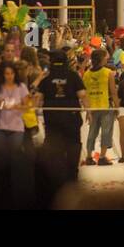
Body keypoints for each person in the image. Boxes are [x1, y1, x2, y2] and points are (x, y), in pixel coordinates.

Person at [36, 49, 87, 180]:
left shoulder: (46, 79)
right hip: (72, 119)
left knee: (54, 149)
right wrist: (89, 111)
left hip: (52, 120)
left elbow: (38, 99)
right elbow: (82, 95)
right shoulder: (74, 76)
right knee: (73, 146)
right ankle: (72, 176)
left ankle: (55, 177)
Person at [82, 49, 117, 165]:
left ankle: (88, 157)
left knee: (92, 132)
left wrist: (87, 110)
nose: (107, 58)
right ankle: (102, 157)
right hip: (105, 107)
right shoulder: (108, 73)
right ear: (102, 59)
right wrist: (117, 107)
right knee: (106, 132)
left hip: (92, 108)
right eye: (105, 57)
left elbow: (85, 93)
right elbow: (113, 92)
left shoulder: (86, 74)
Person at [0, 61, 29, 154]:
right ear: (2, 74)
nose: (10, 76)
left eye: (12, 73)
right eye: (7, 74)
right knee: (0, 155)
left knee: (14, 154)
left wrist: (17, 106)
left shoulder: (21, 87)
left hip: (16, 128)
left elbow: (27, 106)